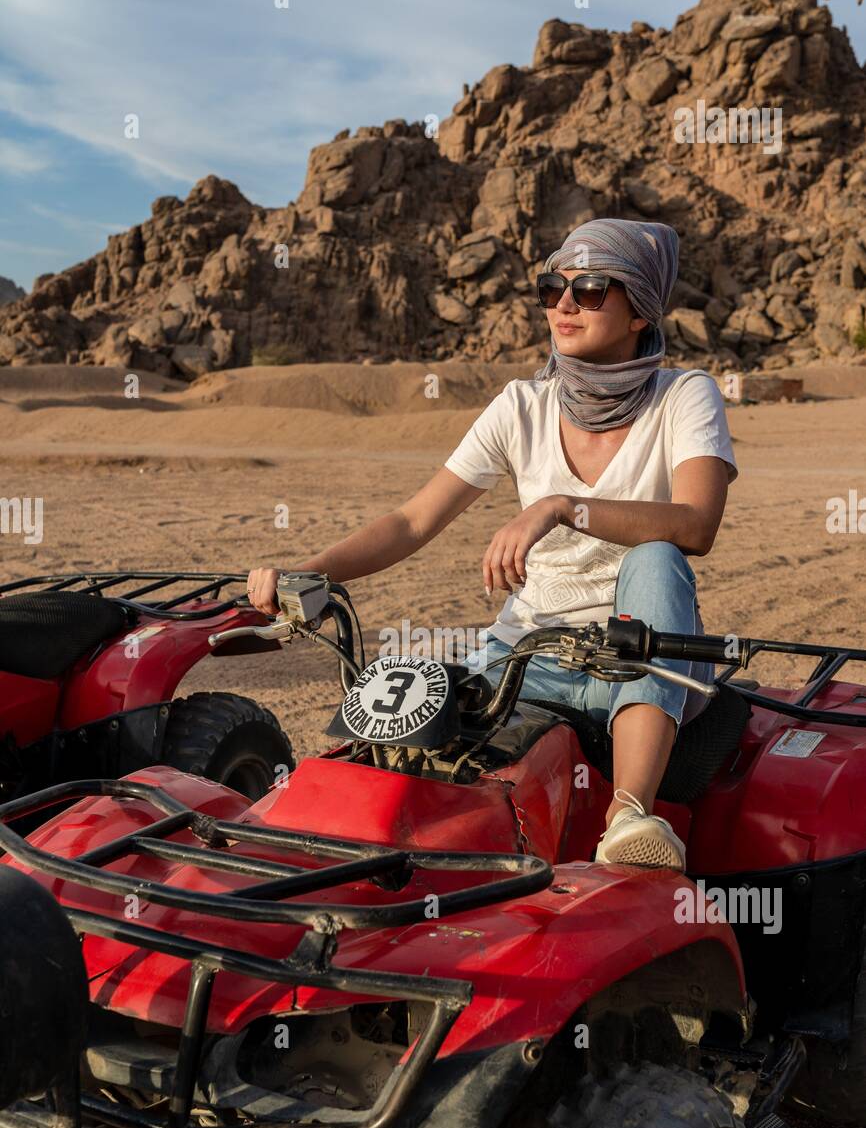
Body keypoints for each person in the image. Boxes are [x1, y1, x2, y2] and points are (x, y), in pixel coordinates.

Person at [247, 217, 737, 870]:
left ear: (641, 311)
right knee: (402, 760)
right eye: (551, 288)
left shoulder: (685, 396)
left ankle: (630, 817)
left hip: (642, 656)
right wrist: (307, 574)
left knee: (656, 557)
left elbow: (695, 524)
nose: (564, 305)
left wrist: (561, 508)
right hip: (528, 657)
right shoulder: (521, 405)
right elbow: (413, 521)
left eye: (590, 289)